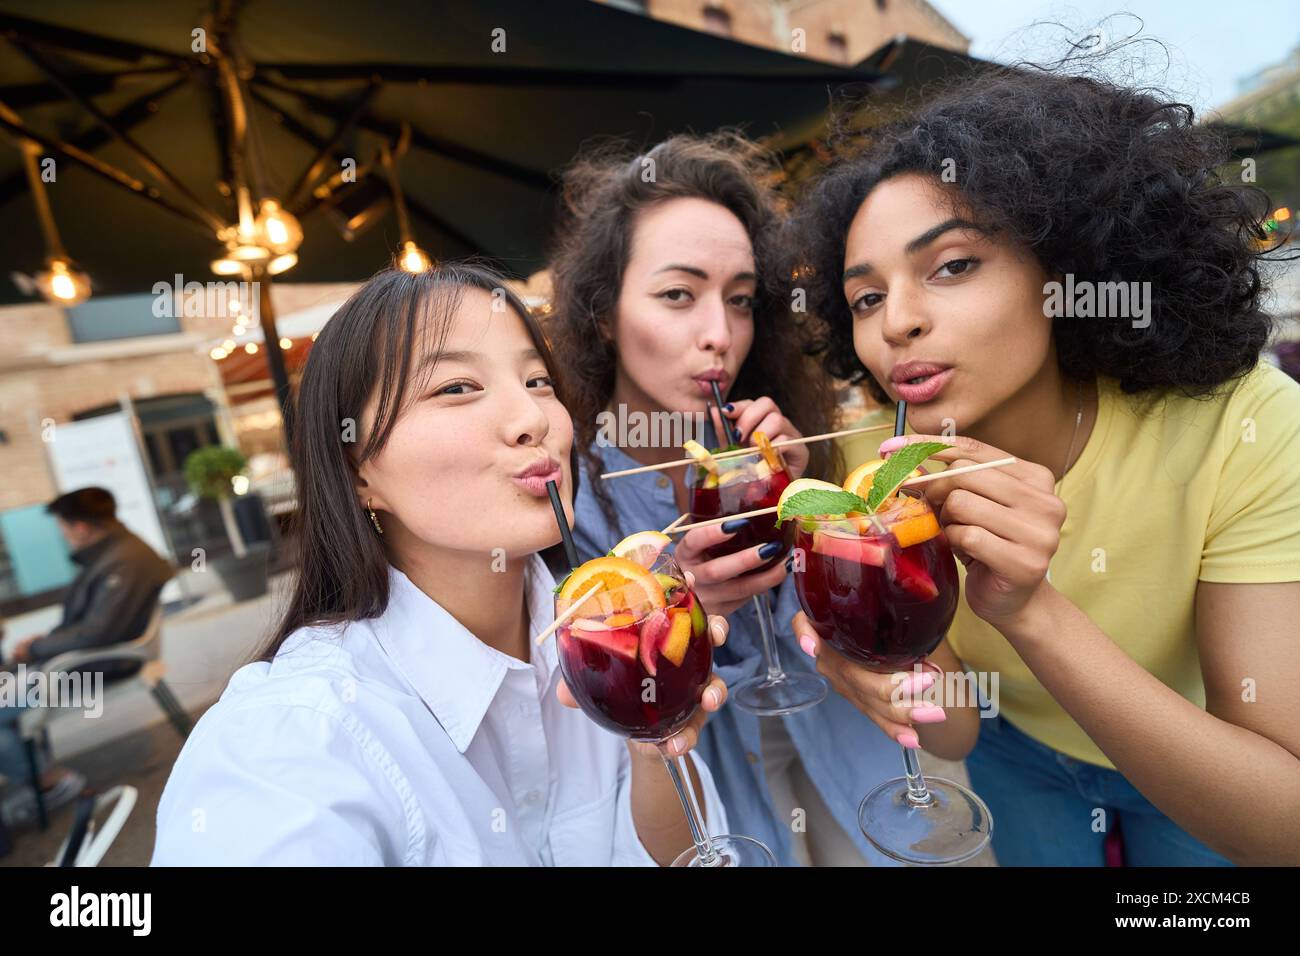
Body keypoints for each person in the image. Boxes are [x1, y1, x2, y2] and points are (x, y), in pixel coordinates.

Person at [787, 62, 1300, 865]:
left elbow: (1284, 827)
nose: (898, 325)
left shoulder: (1243, 425)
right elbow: (955, 723)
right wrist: (876, 670)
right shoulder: (871, 476)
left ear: (1065, 272)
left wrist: (1030, 609)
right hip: (1014, 752)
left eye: (952, 265)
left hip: (1201, 752)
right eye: (867, 298)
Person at [151, 263, 732, 866]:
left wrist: (651, 736)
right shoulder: (284, 747)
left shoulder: (604, 632)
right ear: (356, 472)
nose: (534, 420)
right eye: (456, 387)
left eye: (538, 381)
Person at [548, 133, 902, 866]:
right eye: (678, 295)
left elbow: (869, 629)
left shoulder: (781, 449)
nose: (720, 336)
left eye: (740, 301)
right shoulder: (566, 498)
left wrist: (814, 517)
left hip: (856, 765)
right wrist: (683, 599)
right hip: (714, 797)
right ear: (604, 313)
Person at [1, 487, 173, 815]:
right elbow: (93, 626)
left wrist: (37, 648)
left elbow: (98, 632)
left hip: (93, 667)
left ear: (80, 528)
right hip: (80, 661)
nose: (64, 537)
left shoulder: (123, 561)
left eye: (63, 529)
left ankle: (53, 782)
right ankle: (43, 779)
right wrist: (40, 646)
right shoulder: (119, 554)